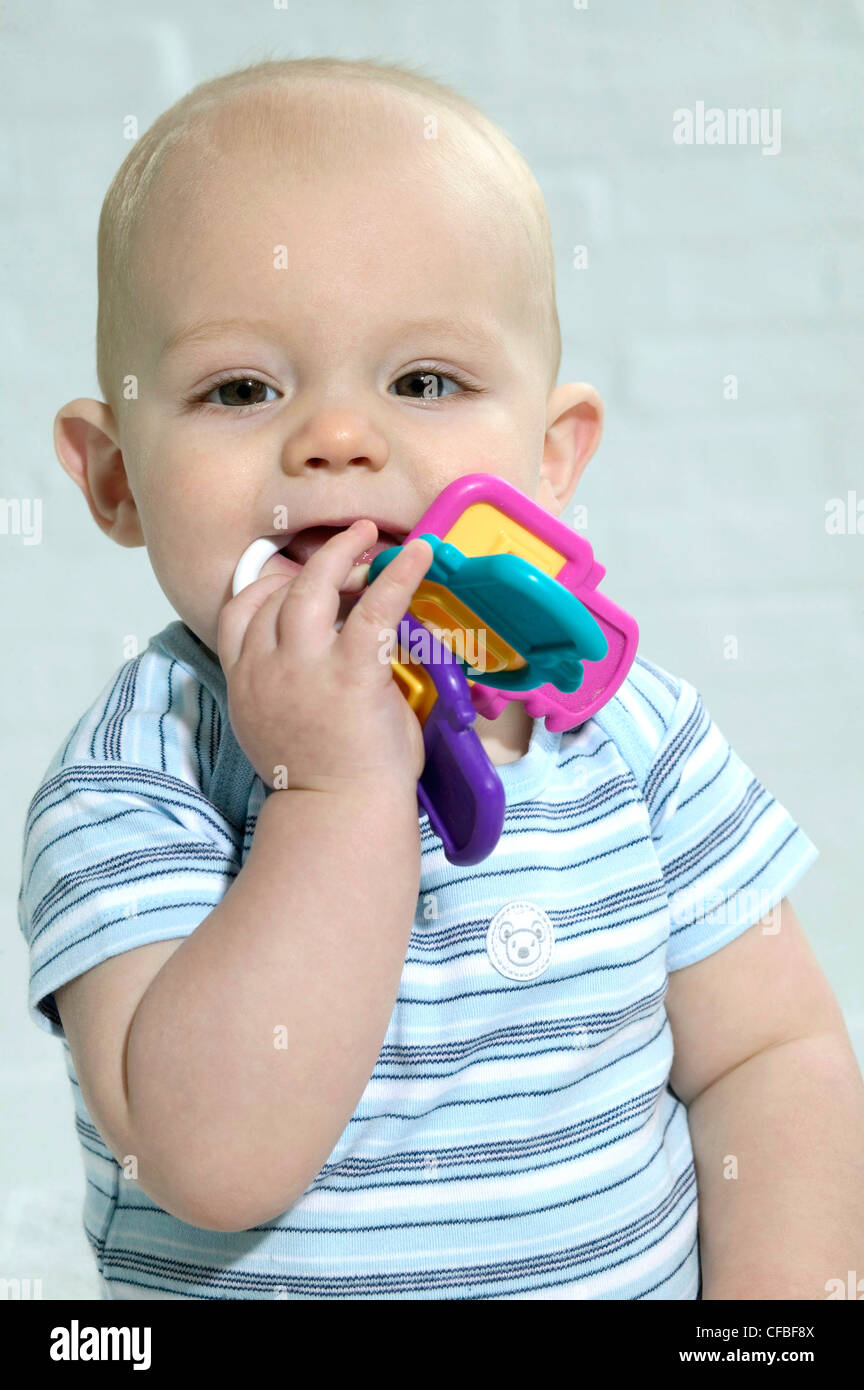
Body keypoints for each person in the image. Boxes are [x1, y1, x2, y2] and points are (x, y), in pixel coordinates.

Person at [17, 56, 864, 1300]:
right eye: (241, 387)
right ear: (115, 480)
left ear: (551, 455)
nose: (338, 436)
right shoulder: (141, 774)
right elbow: (211, 1160)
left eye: (425, 381)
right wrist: (337, 793)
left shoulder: (629, 726)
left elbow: (771, 1054)